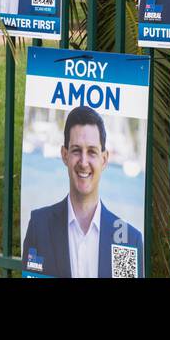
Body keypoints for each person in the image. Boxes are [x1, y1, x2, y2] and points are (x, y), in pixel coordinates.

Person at [21, 106, 144, 277]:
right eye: (76, 150)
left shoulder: (127, 239)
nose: (84, 162)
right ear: (65, 155)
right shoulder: (39, 226)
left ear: (104, 159)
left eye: (92, 152)